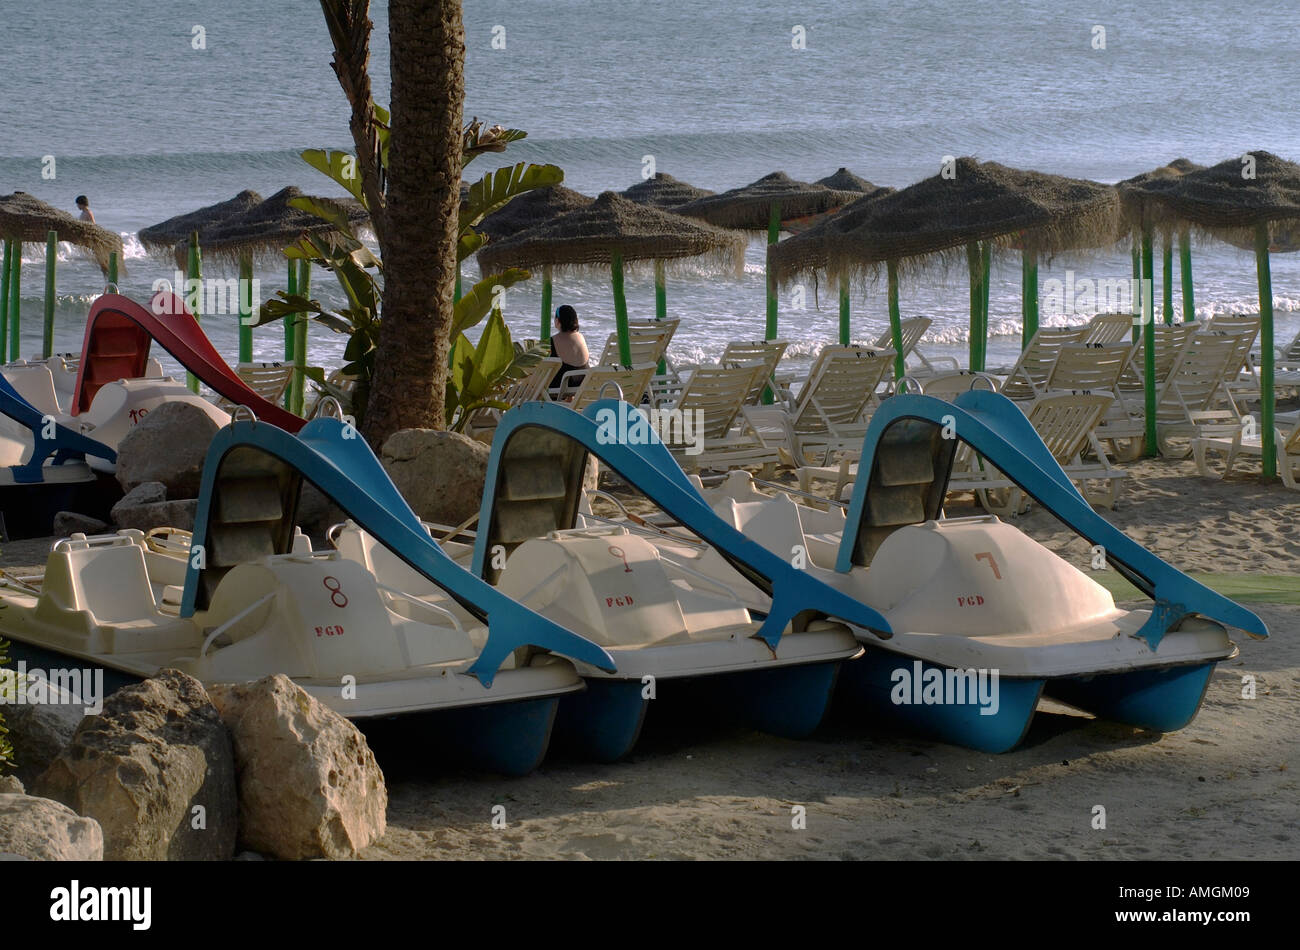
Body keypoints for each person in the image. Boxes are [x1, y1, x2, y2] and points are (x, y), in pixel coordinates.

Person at [549, 304, 590, 392]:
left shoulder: (553, 341)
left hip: (560, 390)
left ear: (557, 321)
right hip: (581, 387)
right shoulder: (581, 338)